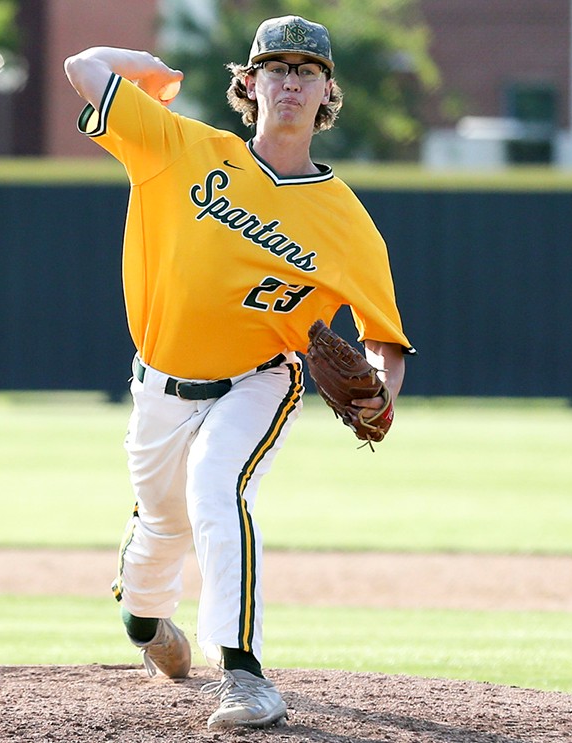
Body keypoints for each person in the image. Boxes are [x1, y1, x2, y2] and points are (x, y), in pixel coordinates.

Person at [63, 14, 414, 731]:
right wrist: (152, 72)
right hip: (159, 383)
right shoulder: (180, 145)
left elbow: (385, 342)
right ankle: (146, 623)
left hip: (260, 380)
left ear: (327, 94)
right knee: (162, 526)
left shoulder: (348, 222)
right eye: (275, 68)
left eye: (306, 70)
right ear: (248, 84)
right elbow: (82, 65)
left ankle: (245, 674)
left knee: (216, 487)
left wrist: (380, 395)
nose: (290, 81)